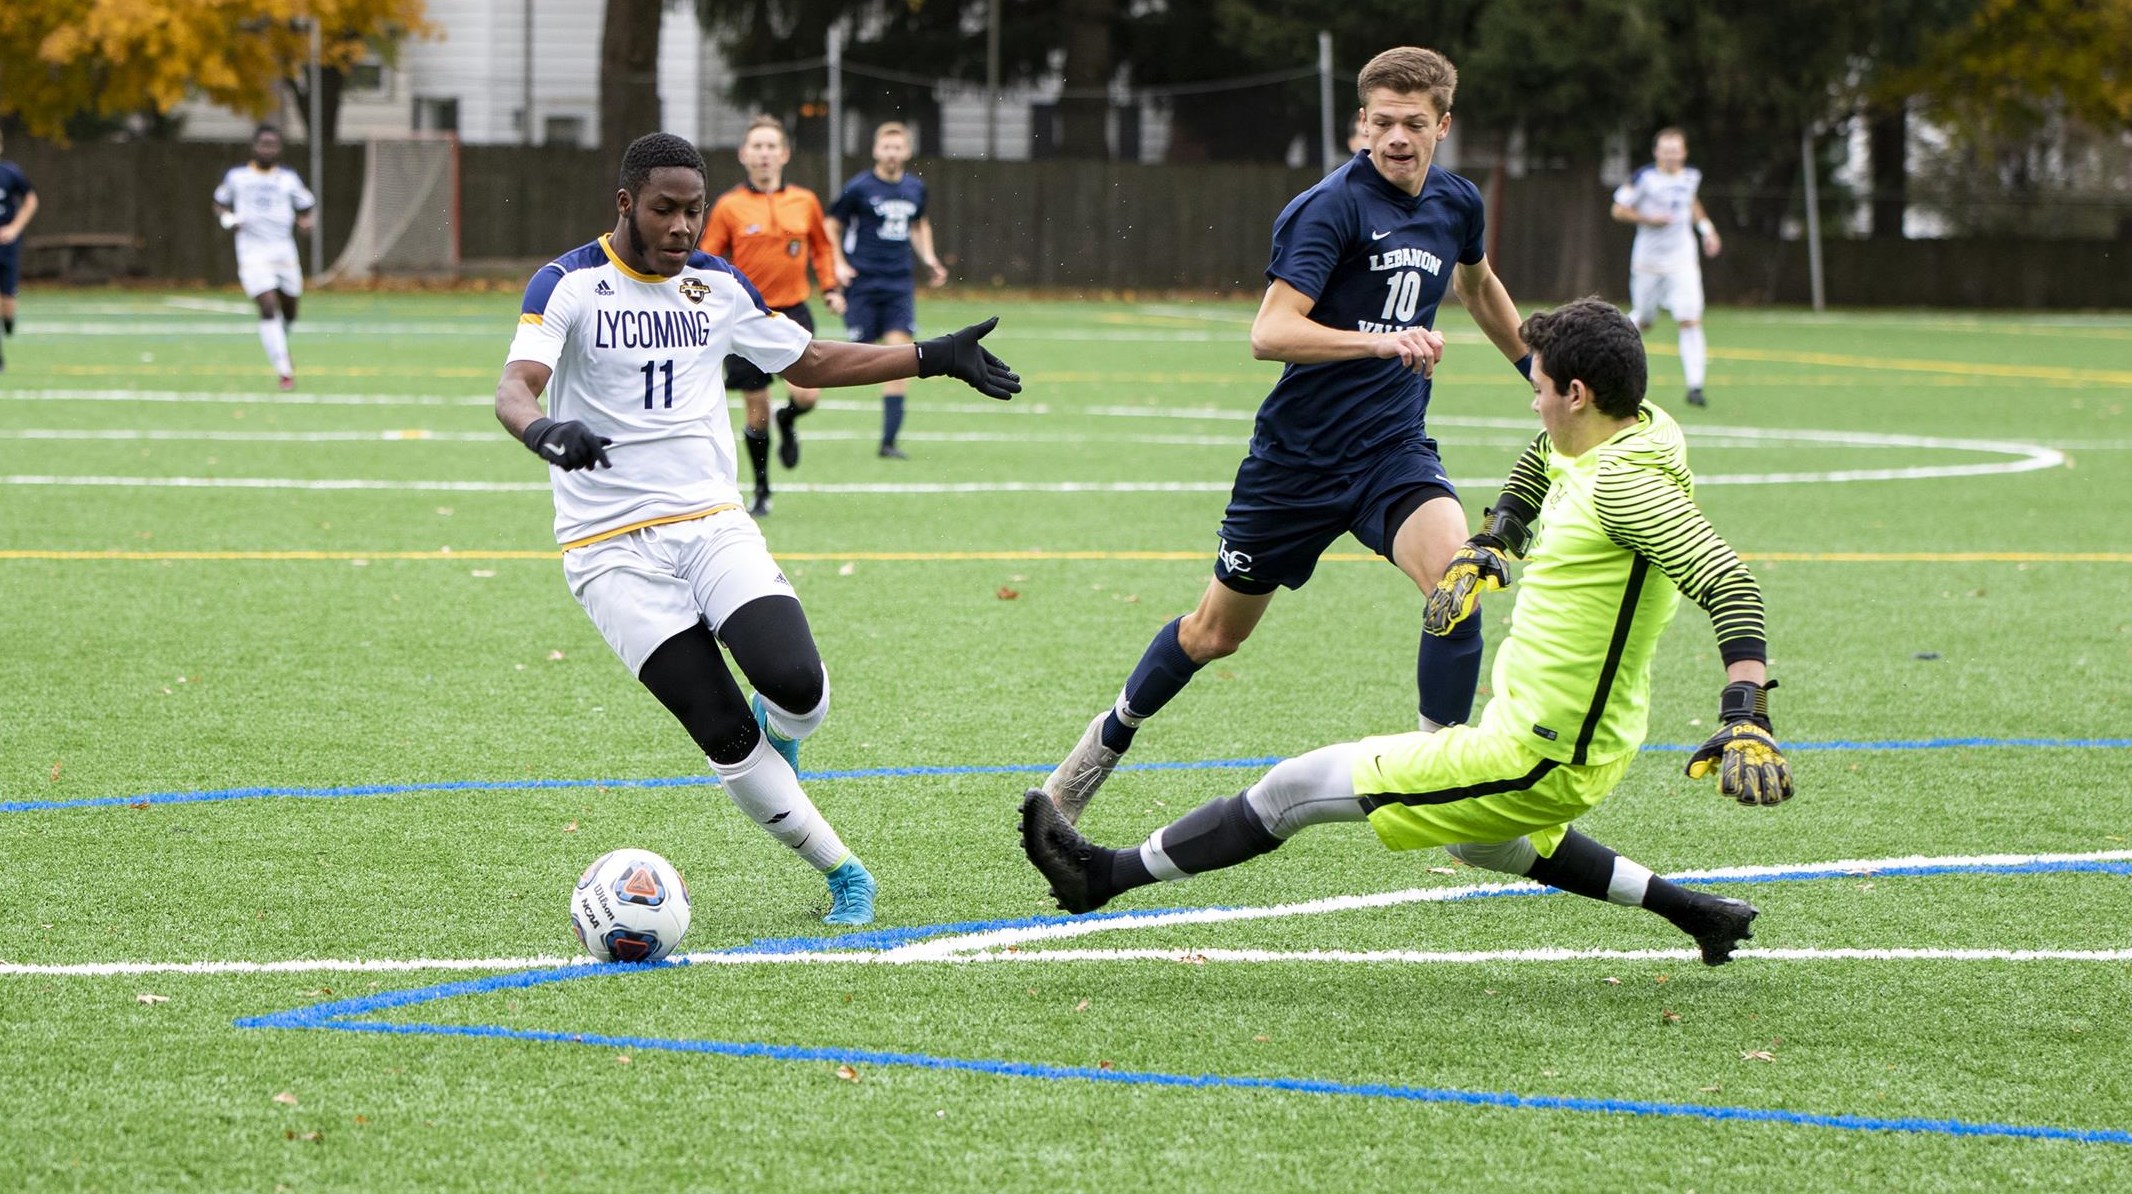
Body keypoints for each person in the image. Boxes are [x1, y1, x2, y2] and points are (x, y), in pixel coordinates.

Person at [1021, 297, 1792, 966]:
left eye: (1541, 391)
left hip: (1541, 752)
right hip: (1566, 737)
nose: (1535, 405)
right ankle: (1698, 912)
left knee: (1294, 791)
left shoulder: (1625, 485)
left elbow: (1729, 581)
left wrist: (1745, 714)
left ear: (1580, 393)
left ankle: (1103, 876)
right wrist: (1494, 540)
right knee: (1485, 843)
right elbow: (1540, 461)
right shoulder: (1634, 431)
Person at [494, 134, 1016, 927]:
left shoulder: (715, 282)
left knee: (797, 685)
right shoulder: (568, 284)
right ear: (626, 204)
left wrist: (931, 355)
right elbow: (515, 388)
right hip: (610, 554)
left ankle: (785, 734)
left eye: (694, 211)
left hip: (710, 525)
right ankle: (845, 874)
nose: (681, 227)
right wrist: (543, 433)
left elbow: (804, 362)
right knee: (725, 730)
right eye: (665, 210)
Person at [1039, 46, 1532, 825]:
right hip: (1295, 466)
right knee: (1212, 635)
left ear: (1443, 124)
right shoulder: (1329, 207)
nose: (1396, 138)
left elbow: (1479, 286)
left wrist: (1533, 368)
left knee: (1456, 590)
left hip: (1391, 454)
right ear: (1358, 128)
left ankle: (1440, 782)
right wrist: (1382, 341)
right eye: (1381, 123)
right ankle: (1099, 747)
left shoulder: (1456, 204)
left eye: (1412, 123)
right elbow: (1270, 332)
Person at [699, 115, 845, 516]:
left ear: (783, 154)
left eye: (770, 147)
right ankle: (762, 489)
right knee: (755, 411)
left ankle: (791, 419)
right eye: (756, 147)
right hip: (746, 318)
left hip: (794, 311)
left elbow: (821, 247)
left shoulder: (805, 201)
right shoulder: (729, 206)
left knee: (807, 394)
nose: (764, 154)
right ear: (744, 155)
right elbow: (709, 258)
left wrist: (830, 288)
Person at [823, 122, 948, 459]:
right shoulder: (859, 188)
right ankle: (799, 404)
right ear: (876, 151)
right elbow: (830, 225)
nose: (892, 154)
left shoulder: (915, 189)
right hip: (862, 282)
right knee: (859, 355)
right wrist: (838, 264)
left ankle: (888, 441)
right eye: (886, 148)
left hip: (898, 283)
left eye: (898, 148)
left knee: (899, 355)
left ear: (906, 152)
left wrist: (930, 259)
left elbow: (919, 225)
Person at [1610, 127, 1721, 407]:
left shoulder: (1690, 177)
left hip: (1682, 260)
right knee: (1644, 320)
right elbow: (1618, 209)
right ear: (1656, 152)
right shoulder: (1644, 178)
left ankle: (1695, 387)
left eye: (1676, 151)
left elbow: (1691, 203)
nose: (1671, 156)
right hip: (1648, 262)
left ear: (1684, 152)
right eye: (1666, 150)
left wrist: (1707, 230)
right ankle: (1606, 348)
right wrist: (1648, 218)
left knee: (1689, 318)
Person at [213, 125, 315, 391]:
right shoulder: (237, 177)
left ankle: (280, 347)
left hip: (284, 251)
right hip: (252, 251)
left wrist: (306, 223)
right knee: (268, 306)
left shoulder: (288, 179)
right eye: (263, 144)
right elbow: (219, 202)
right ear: (254, 146)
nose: (267, 149)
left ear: (279, 149)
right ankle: (284, 370)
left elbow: (306, 207)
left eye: (272, 145)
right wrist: (228, 219)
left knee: (290, 310)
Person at [0, 131, 40, 373]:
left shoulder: (10, 173)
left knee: (7, 301)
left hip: (7, 245)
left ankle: (9, 322)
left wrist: (14, 228)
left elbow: (31, 200)